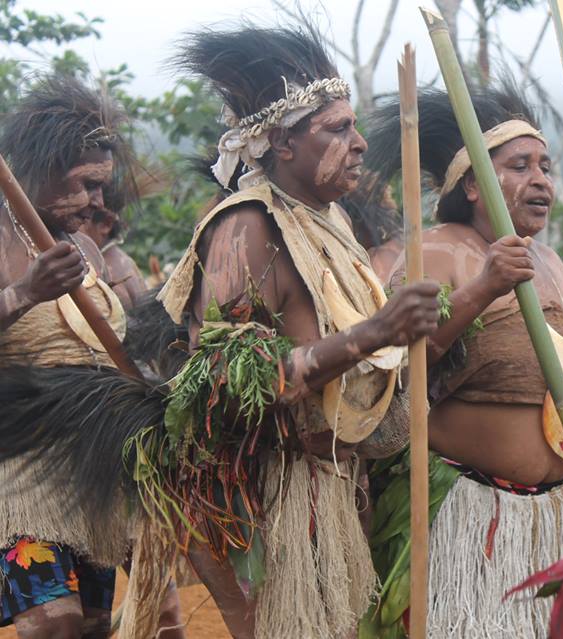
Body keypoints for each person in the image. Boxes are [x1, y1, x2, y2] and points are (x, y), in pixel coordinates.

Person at [151, 23, 442, 639]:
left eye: (354, 126)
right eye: (338, 129)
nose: (360, 143)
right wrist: (377, 331)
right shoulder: (245, 228)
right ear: (282, 142)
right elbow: (227, 390)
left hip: (335, 485)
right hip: (270, 497)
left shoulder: (331, 221)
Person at [363, 83, 563, 638]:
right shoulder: (435, 250)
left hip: (556, 517)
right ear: (472, 186)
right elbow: (398, 372)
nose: (541, 180)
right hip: (467, 518)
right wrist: (483, 288)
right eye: (519, 166)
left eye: (545, 167)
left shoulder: (550, 263)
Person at [0, 74, 136, 639]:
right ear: (41, 170)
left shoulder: (83, 248)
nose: (98, 202)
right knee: (54, 629)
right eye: (86, 185)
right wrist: (23, 293)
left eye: (103, 186)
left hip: (95, 468)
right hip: (21, 471)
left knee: (98, 627)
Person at [79, 184, 147, 310]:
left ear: (106, 224)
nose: (72, 232)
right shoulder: (125, 262)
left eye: (81, 219)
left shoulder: (103, 269)